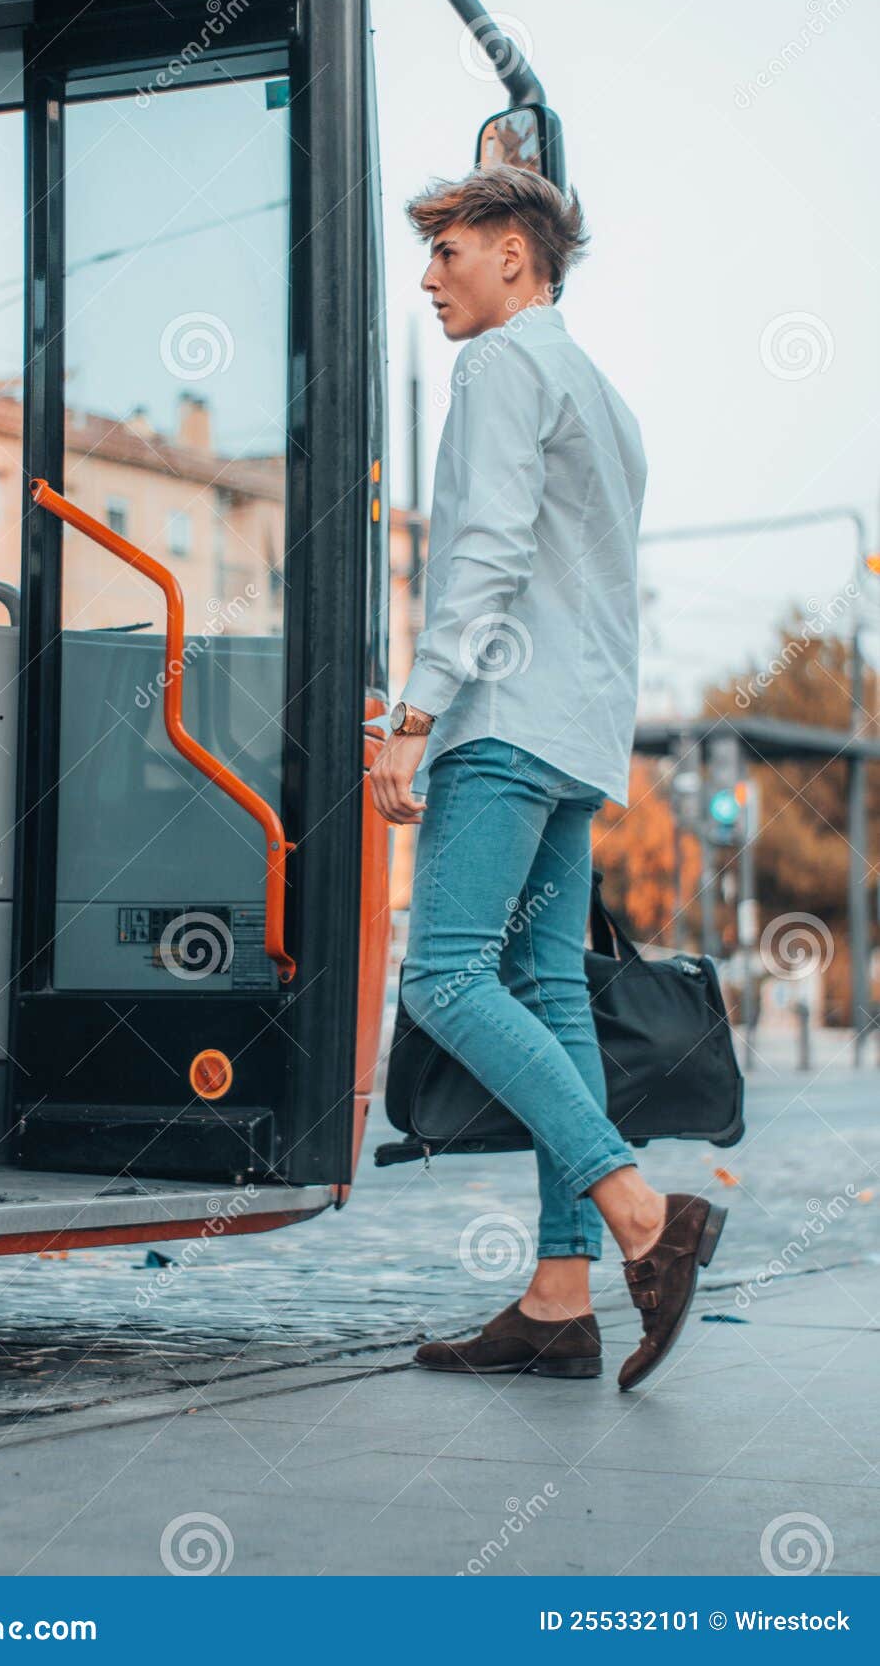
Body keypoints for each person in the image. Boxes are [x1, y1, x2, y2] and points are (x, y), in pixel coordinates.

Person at [369, 164, 726, 1391]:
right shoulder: (601, 391)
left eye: (448, 252)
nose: (428, 278)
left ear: (513, 253)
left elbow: (484, 545)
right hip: (576, 730)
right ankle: (560, 1300)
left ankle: (639, 1215)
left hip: (503, 722)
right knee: (548, 988)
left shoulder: (499, 364)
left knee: (445, 976)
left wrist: (418, 710)